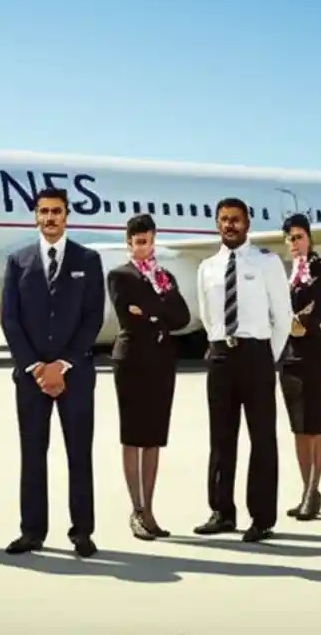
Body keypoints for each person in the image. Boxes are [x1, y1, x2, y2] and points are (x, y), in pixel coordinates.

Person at [1, 187, 105, 557]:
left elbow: (93, 318)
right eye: (43, 211)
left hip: (74, 375)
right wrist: (36, 367)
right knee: (33, 455)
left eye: (56, 211)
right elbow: (10, 319)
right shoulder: (18, 261)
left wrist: (61, 364)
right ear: (35, 216)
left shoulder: (88, 259)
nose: (49, 218)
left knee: (79, 455)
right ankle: (32, 531)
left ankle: (82, 532)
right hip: (31, 378)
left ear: (66, 215)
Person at [193, 197, 291, 543]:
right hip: (221, 356)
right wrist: (221, 343)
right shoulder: (208, 267)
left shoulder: (267, 262)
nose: (229, 225)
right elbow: (207, 316)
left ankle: (262, 517)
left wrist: (267, 356)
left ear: (247, 224)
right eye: (223, 219)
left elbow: (282, 317)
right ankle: (221, 512)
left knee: (262, 438)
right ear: (217, 224)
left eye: (235, 219)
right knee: (221, 439)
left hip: (256, 355)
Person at [106, 213, 190, 540]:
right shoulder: (119, 275)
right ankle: (136, 508)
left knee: (154, 437)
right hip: (131, 362)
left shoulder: (164, 277)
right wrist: (159, 311)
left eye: (150, 241)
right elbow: (129, 318)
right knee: (133, 436)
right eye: (140, 242)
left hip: (161, 361)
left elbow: (181, 317)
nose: (145, 247)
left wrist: (153, 310)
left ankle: (150, 509)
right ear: (129, 243)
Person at [278, 214, 321, 521]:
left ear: (309, 238)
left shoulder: (319, 269)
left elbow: (317, 308)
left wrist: (298, 321)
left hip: (311, 351)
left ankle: (314, 490)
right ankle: (305, 490)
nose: (294, 243)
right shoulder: (286, 273)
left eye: (299, 237)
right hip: (288, 354)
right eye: (289, 238)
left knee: (314, 425)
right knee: (298, 427)